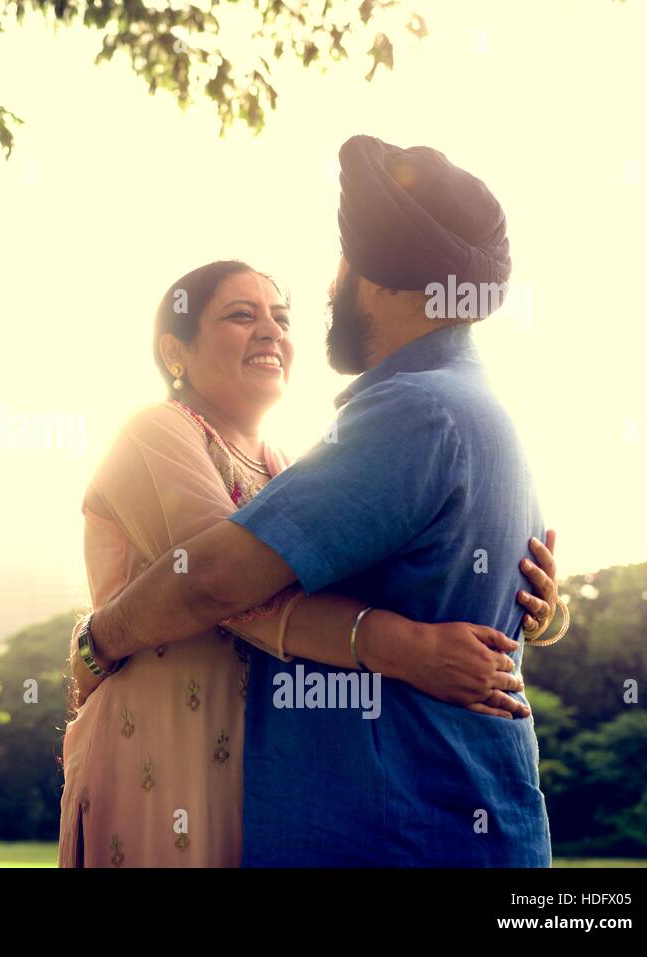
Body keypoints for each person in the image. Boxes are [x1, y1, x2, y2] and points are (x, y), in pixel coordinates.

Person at [60, 185, 562, 865]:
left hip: (239, 757)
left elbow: (312, 578)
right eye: (242, 315)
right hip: (160, 740)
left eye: (282, 316)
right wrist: (396, 642)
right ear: (174, 352)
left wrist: (534, 603)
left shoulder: (301, 457)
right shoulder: (156, 432)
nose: (273, 329)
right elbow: (215, 584)